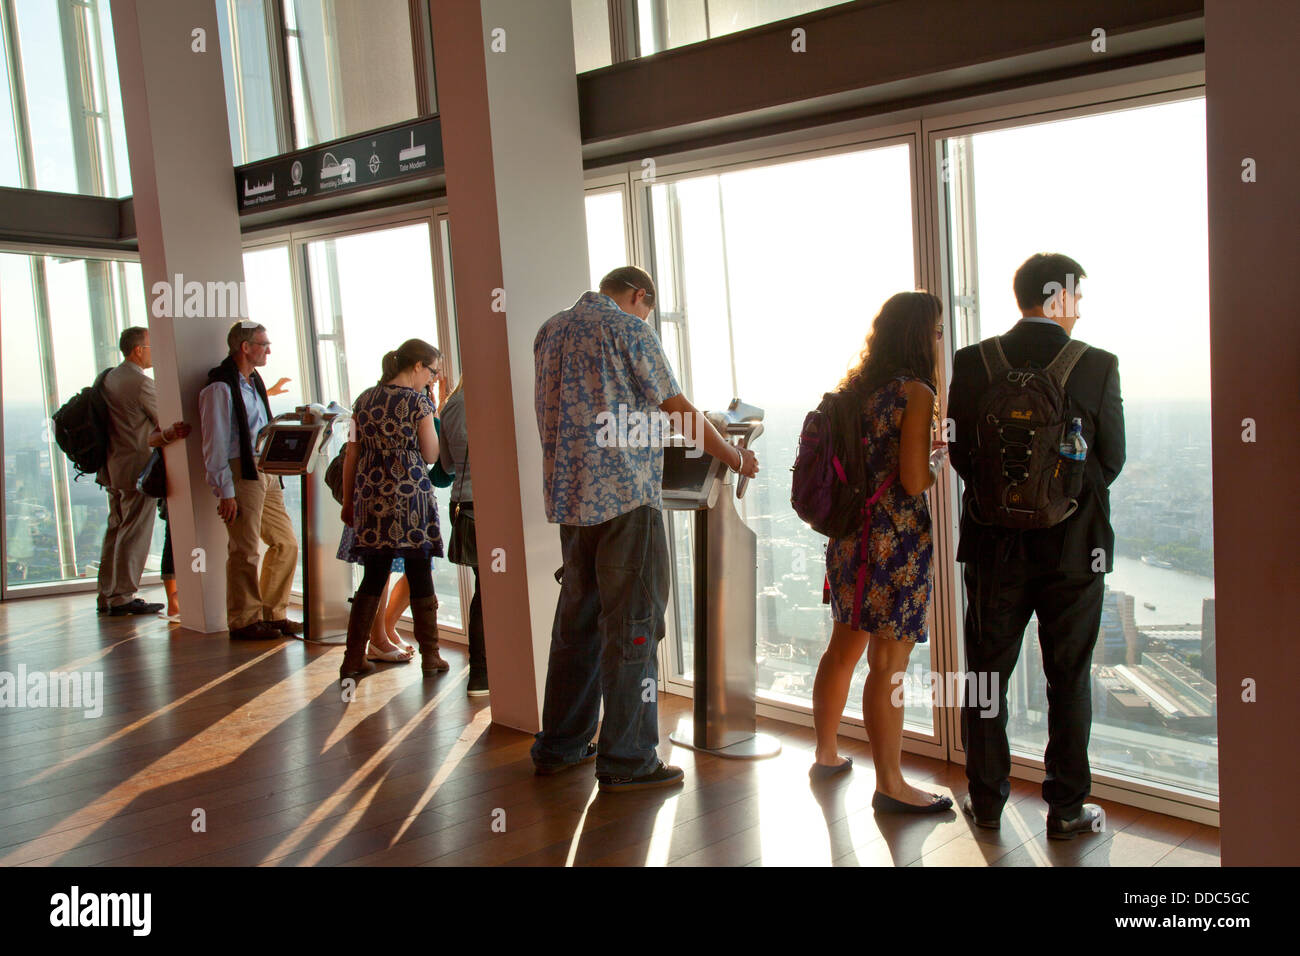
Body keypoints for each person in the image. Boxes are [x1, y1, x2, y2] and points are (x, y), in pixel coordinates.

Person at [530, 266, 758, 793]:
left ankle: (561, 745)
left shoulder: (550, 330)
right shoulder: (630, 330)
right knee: (634, 626)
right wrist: (735, 456)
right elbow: (678, 411)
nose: (646, 315)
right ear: (640, 297)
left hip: (570, 499)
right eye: (647, 308)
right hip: (627, 499)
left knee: (576, 626)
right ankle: (628, 758)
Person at [947, 252, 1125, 839]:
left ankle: (988, 800)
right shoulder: (1096, 366)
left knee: (986, 676)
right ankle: (1067, 809)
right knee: (1068, 676)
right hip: (1075, 550)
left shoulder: (974, 362)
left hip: (995, 548)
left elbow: (961, 456)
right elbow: (1112, 459)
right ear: (1061, 299)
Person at [808, 292, 953, 814]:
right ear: (920, 336)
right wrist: (937, 462)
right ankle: (890, 784)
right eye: (936, 332)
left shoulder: (851, 392)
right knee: (888, 663)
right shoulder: (916, 392)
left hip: (850, 538)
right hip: (897, 545)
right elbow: (914, 481)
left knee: (842, 649)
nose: (940, 340)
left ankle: (826, 754)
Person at [338, 339, 448, 681]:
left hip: (371, 497)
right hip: (410, 497)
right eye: (431, 372)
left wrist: (348, 502)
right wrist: (434, 412)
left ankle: (352, 658)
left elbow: (351, 455)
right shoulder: (418, 403)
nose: (431, 379)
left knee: (373, 575)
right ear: (417, 367)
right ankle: (431, 656)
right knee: (419, 574)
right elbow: (431, 455)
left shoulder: (364, 400)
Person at [199, 322, 302, 641]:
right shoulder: (219, 389)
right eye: (263, 344)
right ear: (245, 347)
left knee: (286, 543)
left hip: (266, 469)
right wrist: (225, 491)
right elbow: (214, 443)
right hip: (241, 471)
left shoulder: (253, 383)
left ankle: (273, 614)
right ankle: (244, 620)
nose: (269, 350)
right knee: (244, 549)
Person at [96, 327, 171, 616]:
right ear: (138, 350)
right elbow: (164, 417)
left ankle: (107, 594)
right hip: (136, 468)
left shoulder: (109, 378)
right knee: (134, 531)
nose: (154, 352)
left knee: (116, 529)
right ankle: (122, 596)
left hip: (112, 467)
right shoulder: (140, 382)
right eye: (151, 346)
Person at [437, 373, 488, 697]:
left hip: (462, 506)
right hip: (489, 505)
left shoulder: (452, 404)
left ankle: (482, 672)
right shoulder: (491, 403)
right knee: (490, 595)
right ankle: (483, 673)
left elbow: (446, 464)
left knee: (484, 591)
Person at [147, 418, 193, 620]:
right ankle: (175, 600)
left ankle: (177, 599)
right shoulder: (166, 408)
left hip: (175, 480)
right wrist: (170, 434)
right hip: (176, 482)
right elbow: (151, 439)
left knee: (174, 541)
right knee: (175, 541)